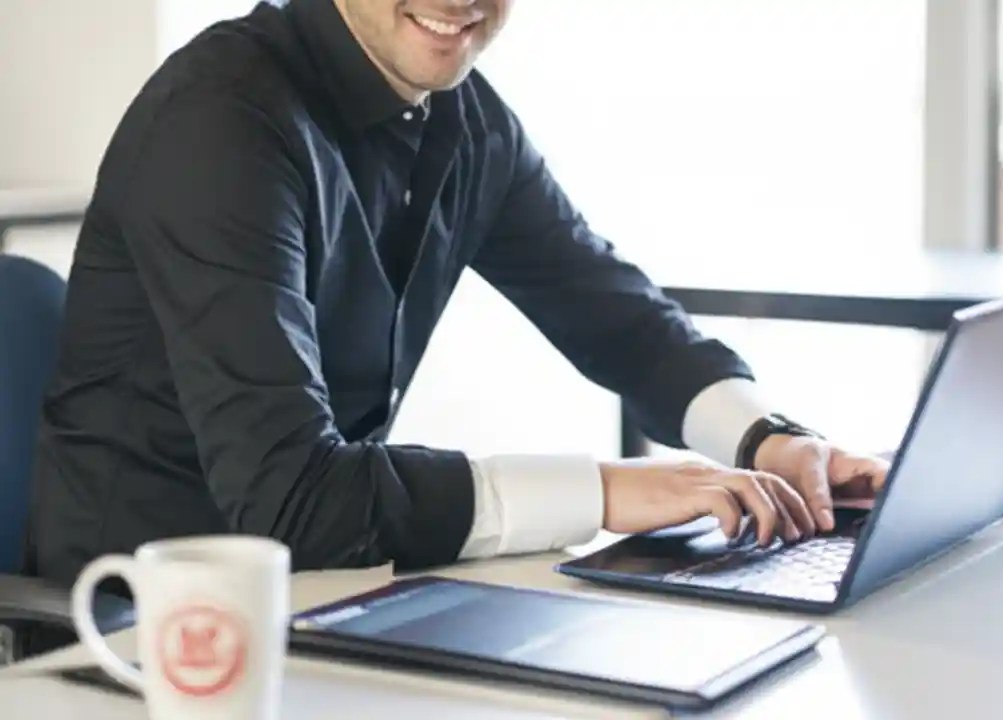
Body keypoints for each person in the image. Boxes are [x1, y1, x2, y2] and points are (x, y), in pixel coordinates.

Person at [27, 0, 889, 595]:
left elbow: (619, 319)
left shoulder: (463, 119)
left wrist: (767, 439)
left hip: (324, 592)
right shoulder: (220, 121)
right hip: (138, 623)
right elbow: (291, 494)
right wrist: (606, 491)